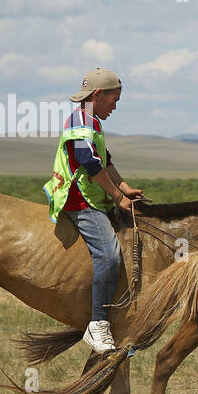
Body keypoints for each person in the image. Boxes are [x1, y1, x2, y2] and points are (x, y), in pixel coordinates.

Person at [43, 67, 144, 353]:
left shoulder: (92, 121)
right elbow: (88, 163)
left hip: (92, 196)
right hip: (79, 199)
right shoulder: (80, 121)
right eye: (114, 100)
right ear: (98, 95)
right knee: (109, 255)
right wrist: (115, 196)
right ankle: (98, 324)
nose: (115, 106)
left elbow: (105, 159)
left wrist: (124, 187)